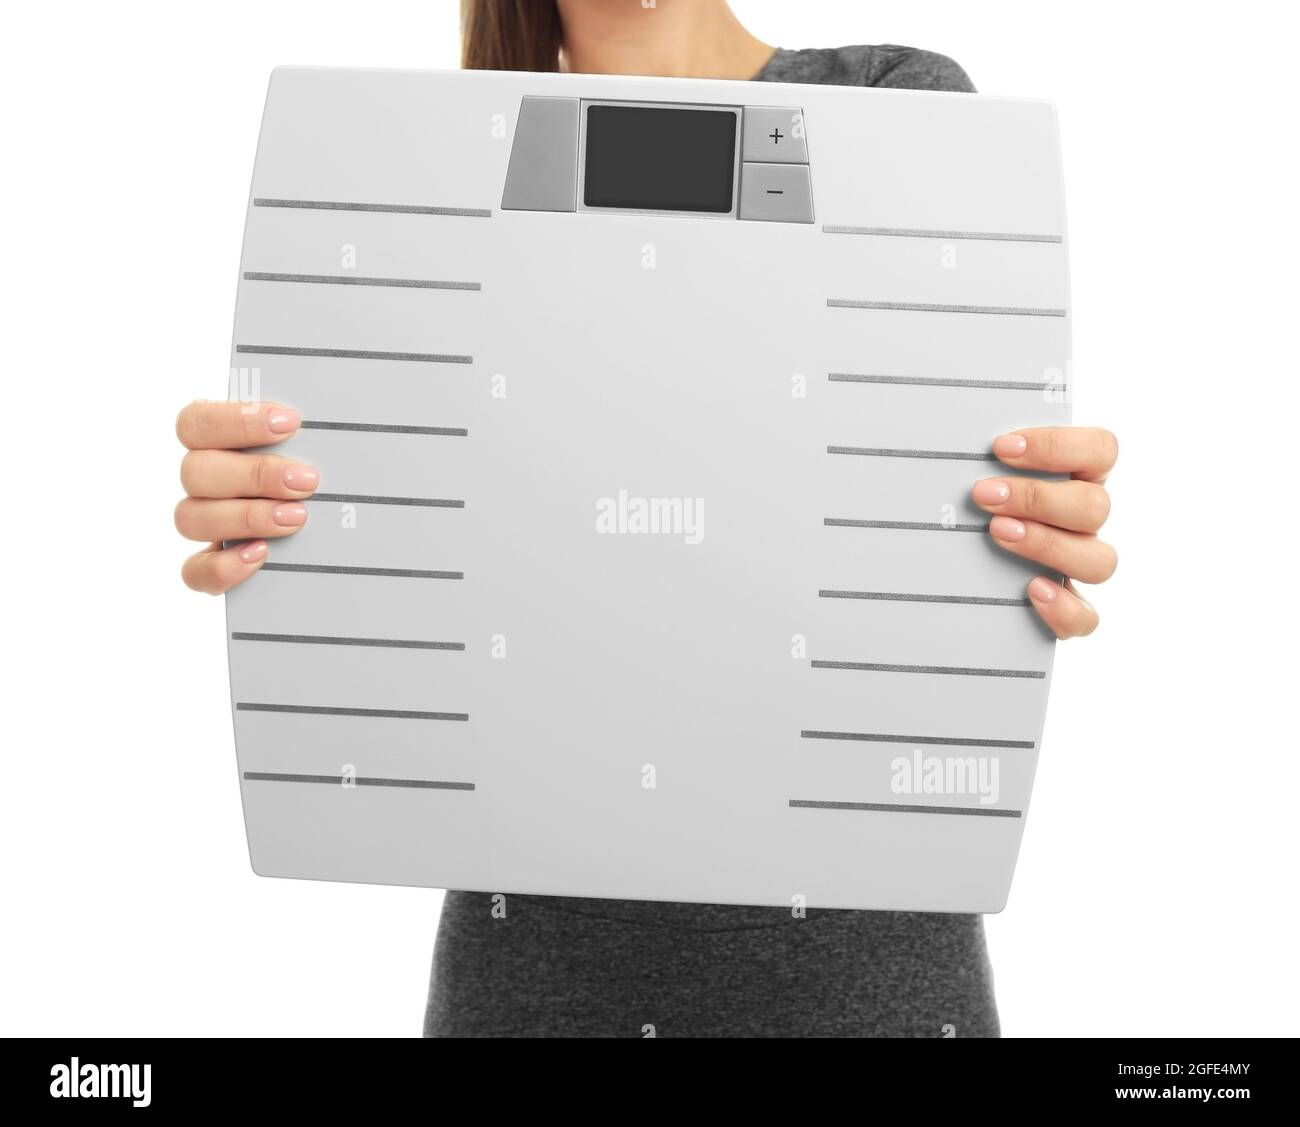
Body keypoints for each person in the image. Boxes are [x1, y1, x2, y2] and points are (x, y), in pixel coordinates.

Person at [175, 0, 1118, 1037]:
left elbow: (936, 488)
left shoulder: (897, 105)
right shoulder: (416, 163)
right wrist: (276, 518)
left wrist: (1031, 525)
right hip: (532, 981)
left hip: (866, 981)